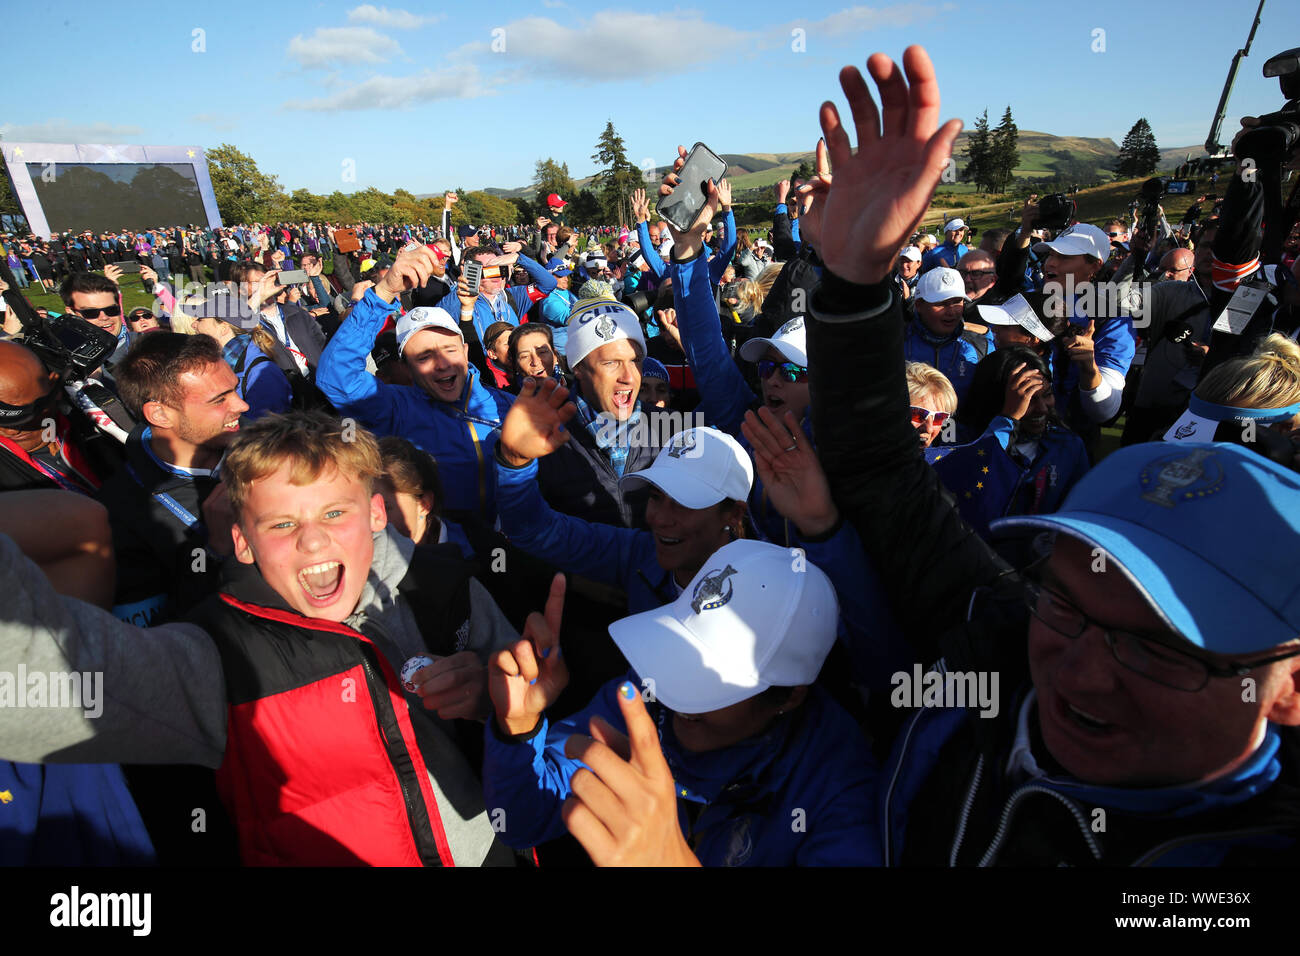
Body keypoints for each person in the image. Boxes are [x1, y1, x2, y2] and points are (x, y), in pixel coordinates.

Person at [802, 44, 1300, 865]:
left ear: (1287, 687)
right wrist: (852, 282)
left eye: (1160, 647)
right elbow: (881, 472)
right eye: (1063, 604)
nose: (1081, 672)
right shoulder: (1001, 642)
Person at [0, 411, 524, 866]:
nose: (313, 538)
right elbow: (35, 688)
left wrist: (491, 700)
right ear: (241, 543)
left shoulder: (448, 588)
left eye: (335, 513)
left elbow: (532, 727)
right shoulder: (215, 657)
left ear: (376, 514)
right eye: (280, 524)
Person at [481, 539, 879, 866]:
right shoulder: (645, 696)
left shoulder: (839, 792)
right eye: (682, 655)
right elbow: (521, 822)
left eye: (713, 680)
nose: (678, 697)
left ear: (790, 696)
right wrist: (520, 728)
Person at [317, 248, 514, 519]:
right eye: (424, 356)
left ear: (466, 352)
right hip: (451, 549)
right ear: (408, 368)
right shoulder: (396, 409)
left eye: (449, 349)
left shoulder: (507, 404)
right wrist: (384, 292)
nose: (442, 363)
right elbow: (336, 378)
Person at [95, 332, 248, 625]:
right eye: (219, 400)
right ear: (160, 414)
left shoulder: (263, 441)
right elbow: (157, 635)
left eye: (235, 390)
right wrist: (215, 552)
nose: (242, 406)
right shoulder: (119, 514)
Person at [186, 291, 293, 420]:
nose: (193, 325)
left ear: (223, 328)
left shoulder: (262, 372)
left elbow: (263, 429)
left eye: (200, 319)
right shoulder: (226, 363)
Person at [902, 267, 990, 408]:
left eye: (957, 301)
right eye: (941, 303)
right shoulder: (895, 343)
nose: (951, 311)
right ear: (919, 305)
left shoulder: (981, 347)